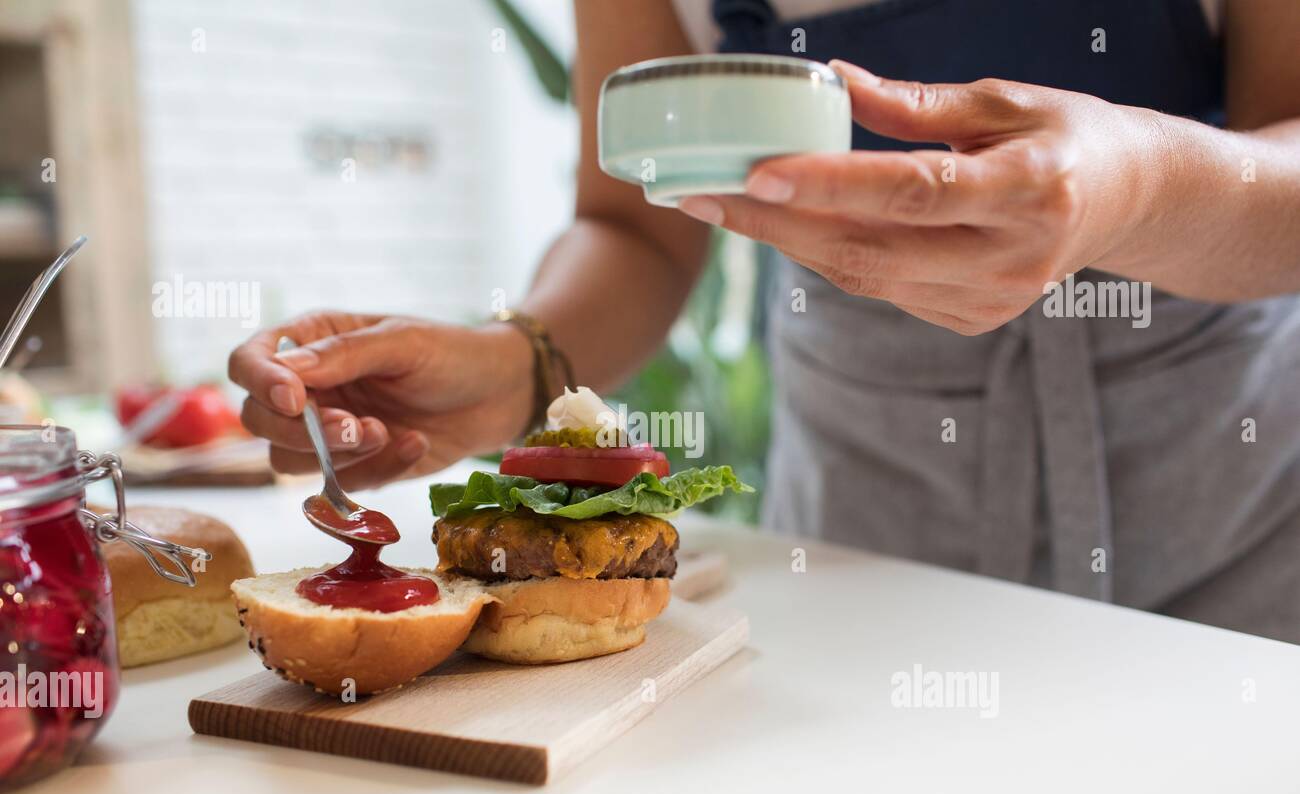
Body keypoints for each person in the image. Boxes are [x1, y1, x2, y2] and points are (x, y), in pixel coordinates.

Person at [229, 0, 1300, 642]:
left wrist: (1143, 191)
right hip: (865, 524)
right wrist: (517, 361)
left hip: (1231, 502)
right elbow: (633, 225)